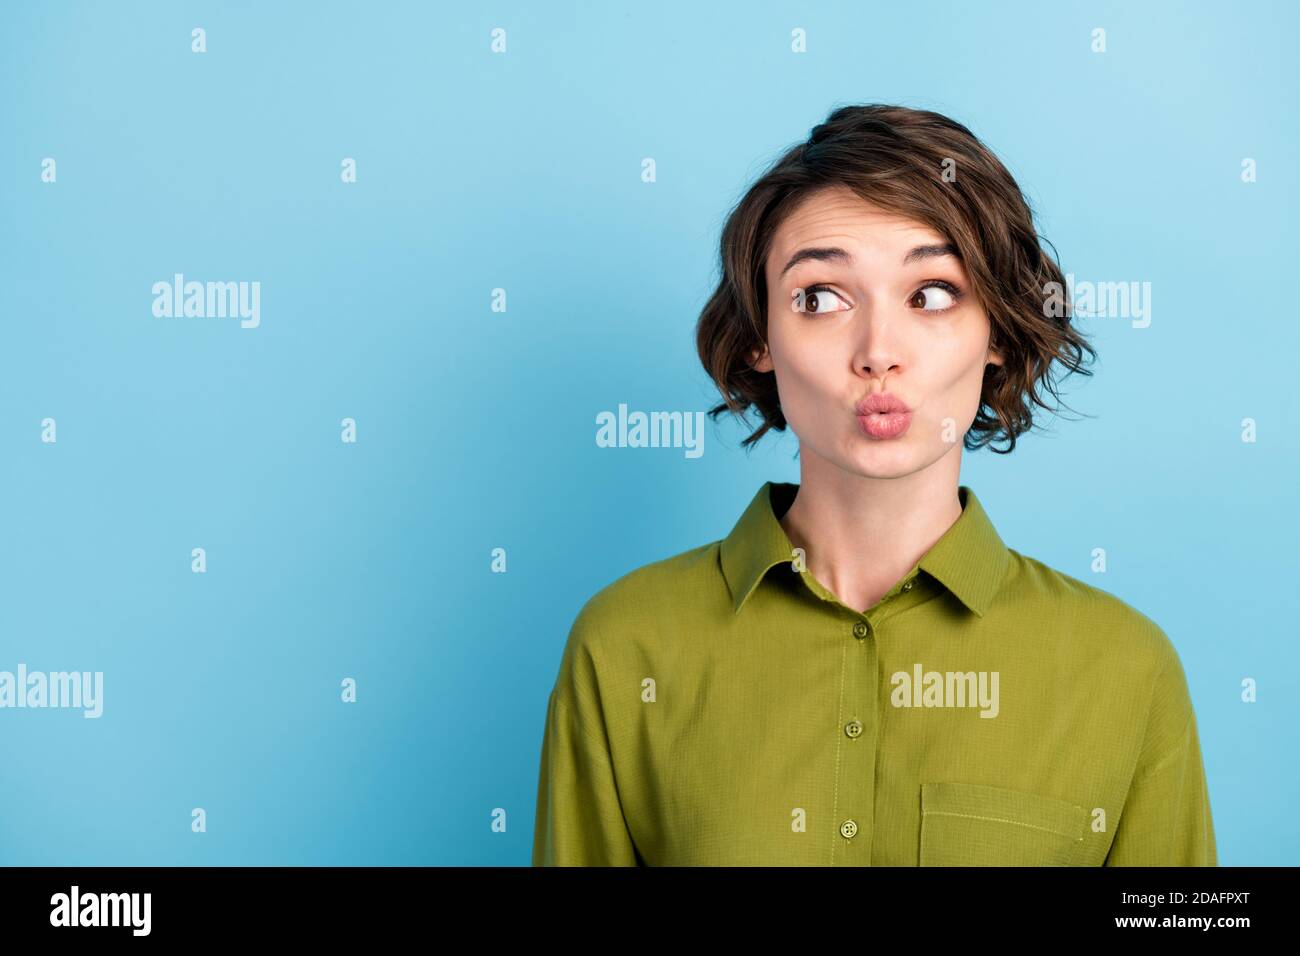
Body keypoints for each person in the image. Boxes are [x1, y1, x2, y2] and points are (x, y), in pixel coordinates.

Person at [532, 103, 1216, 866]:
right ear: (760, 336)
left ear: (996, 328)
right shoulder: (626, 645)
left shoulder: (1124, 668)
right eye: (820, 297)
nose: (878, 353)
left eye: (931, 294)